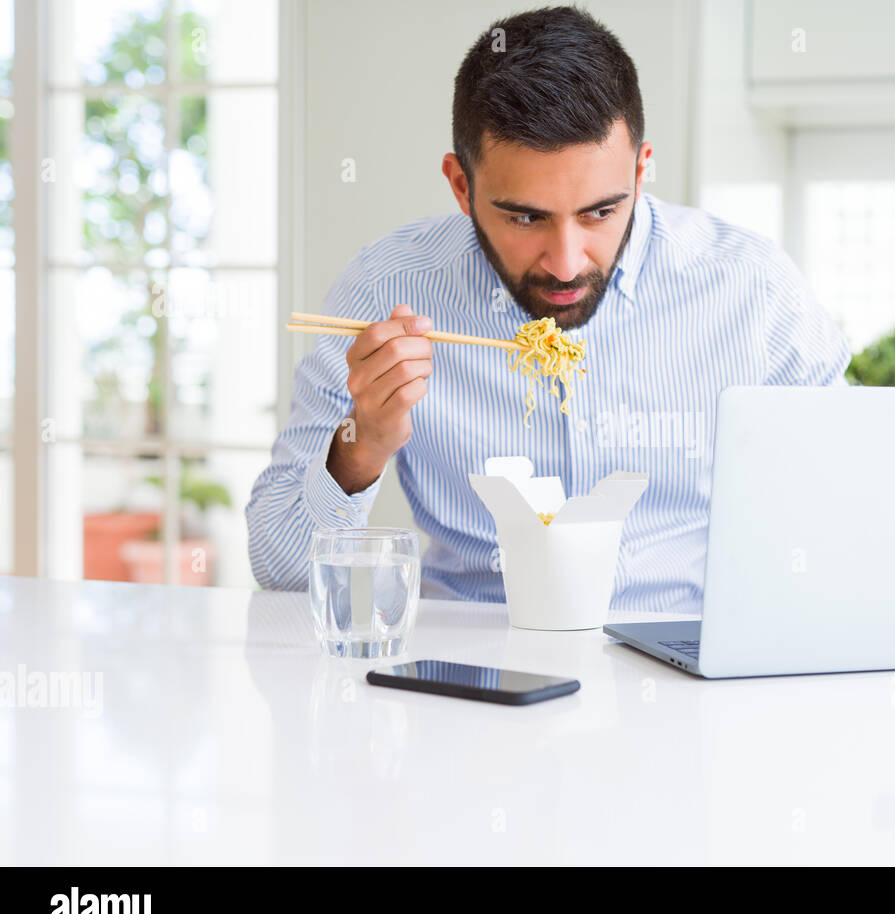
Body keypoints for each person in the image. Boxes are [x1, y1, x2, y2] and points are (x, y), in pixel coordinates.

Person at [246, 5, 849, 614]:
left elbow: (842, 516)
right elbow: (282, 571)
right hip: (473, 662)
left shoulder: (751, 288)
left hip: (687, 659)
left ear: (640, 173)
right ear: (462, 186)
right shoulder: (386, 287)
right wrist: (363, 443)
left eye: (600, 212)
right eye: (525, 217)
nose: (565, 263)